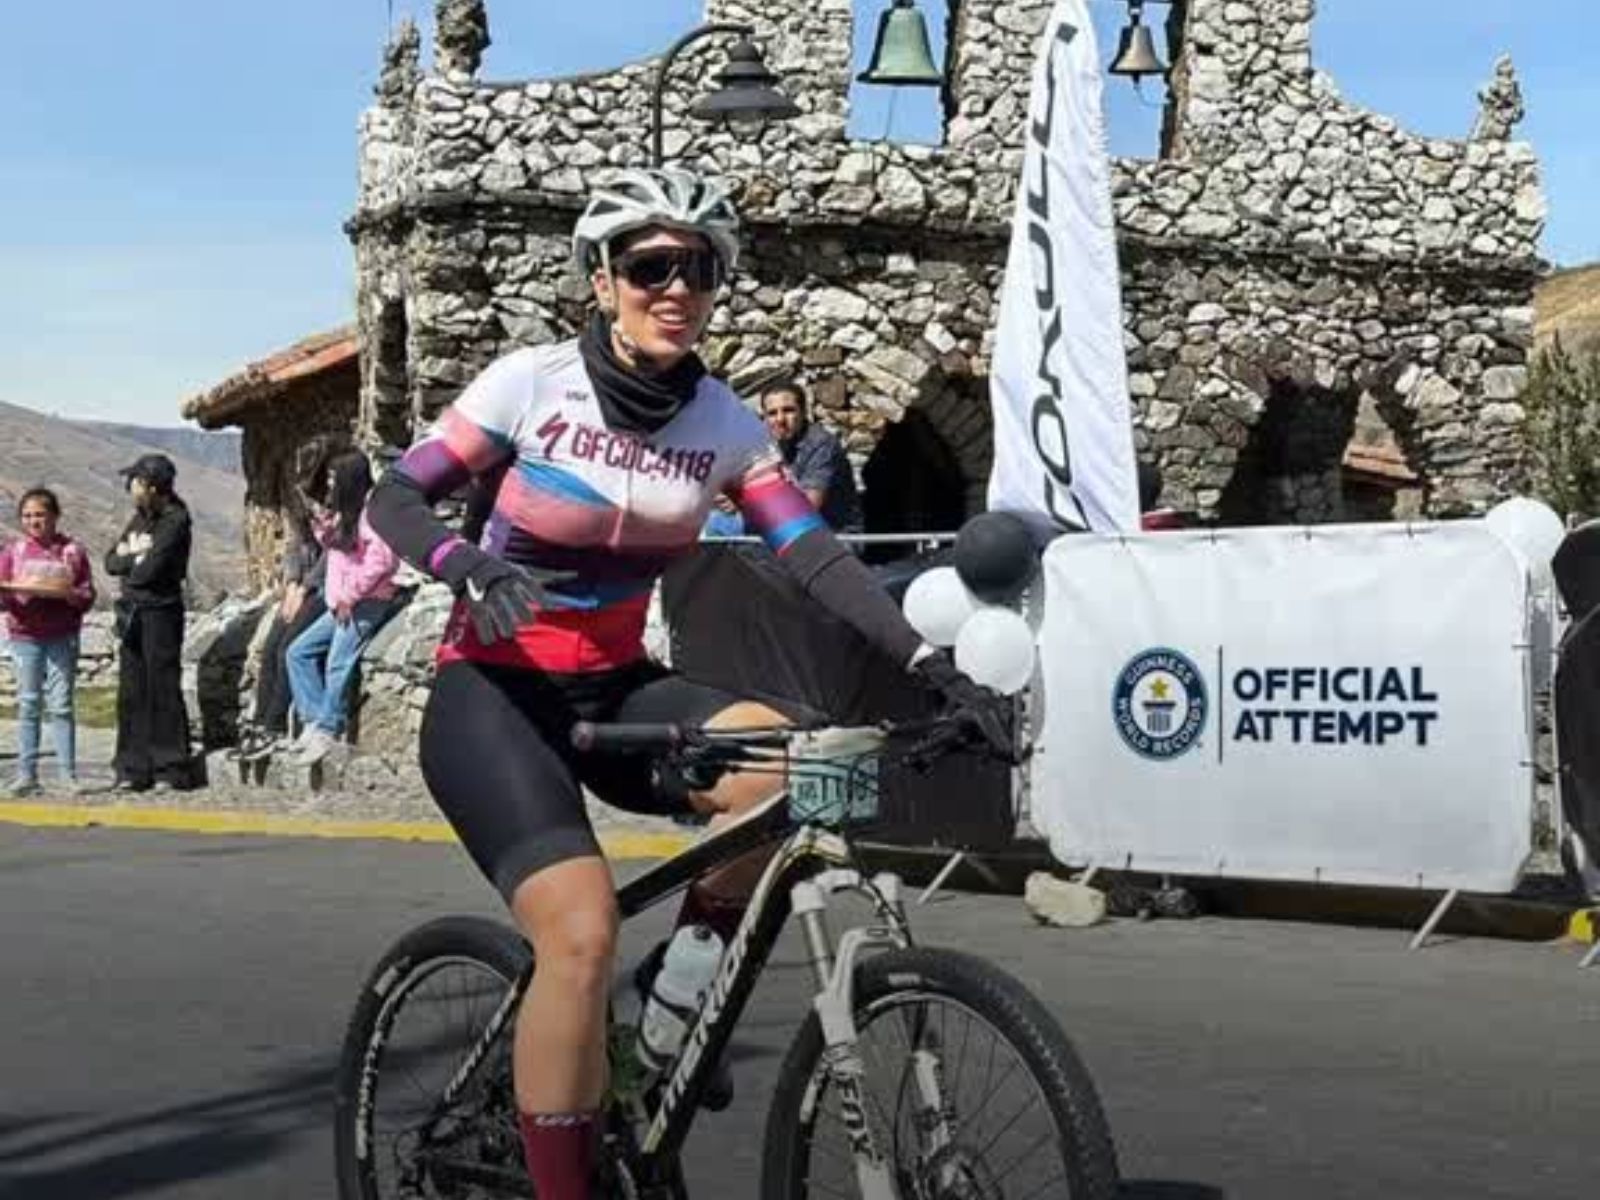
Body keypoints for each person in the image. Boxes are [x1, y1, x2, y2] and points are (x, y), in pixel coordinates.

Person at [367, 165, 1008, 1200]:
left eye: (697, 268)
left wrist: (930, 665)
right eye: (648, 265)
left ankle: (670, 1011)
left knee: (792, 766)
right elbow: (397, 498)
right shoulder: (528, 385)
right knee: (580, 934)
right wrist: (464, 564)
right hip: (495, 693)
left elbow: (814, 556)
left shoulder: (723, 423)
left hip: (617, 684)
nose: (674, 286)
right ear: (602, 280)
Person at [285, 449, 399, 765]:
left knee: (338, 660)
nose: (331, 485)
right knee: (298, 652)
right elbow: (337, 552)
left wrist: (349, 596)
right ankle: (312, 720)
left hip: (367, 600)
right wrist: (322, 525)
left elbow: (381, 563)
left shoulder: (373, 515)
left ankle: (328, 729)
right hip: (341, 602)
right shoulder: (347, 512)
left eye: (336, 479)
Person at [105, 453, 193, 792]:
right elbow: (111, 561)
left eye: (136, 482)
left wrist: (135, 558)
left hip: (161, 612)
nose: (131, 488)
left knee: (162, 687)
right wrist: (133, 555)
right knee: (132, 691)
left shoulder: (175, 520)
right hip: (133, 614)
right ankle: (132, 767)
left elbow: (148, 572)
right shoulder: (140, 519)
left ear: (153, 486)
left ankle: (169, 767)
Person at [0, 488, 96, 794]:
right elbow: (2, 595)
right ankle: (26, 775)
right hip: (24, 636)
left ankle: (68, 775)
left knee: (62, 705)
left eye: (40, 514)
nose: (34, 521)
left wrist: (69, 596)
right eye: (27, 516)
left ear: (54, 515)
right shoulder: (13, 552)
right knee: (28, 704)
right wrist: (11, 593)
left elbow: (86, 594)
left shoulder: (72, 552)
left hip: (61, 636)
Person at [759, 379, 863, 534]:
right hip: (788, 527)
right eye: (772, 413)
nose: (780, 419)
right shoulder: (765, 443)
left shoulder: (822, 444)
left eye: (788, 410)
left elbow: (806, 508)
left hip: (834, 534)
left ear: (803, 412)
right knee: (720, 522)